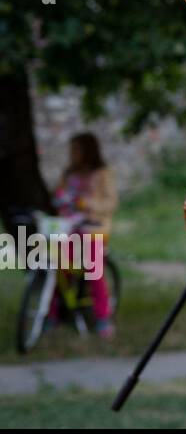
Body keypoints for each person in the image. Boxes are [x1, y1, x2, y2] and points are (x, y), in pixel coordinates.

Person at [51, 132, 118, 340]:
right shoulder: (68, 173)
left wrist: (86, 204)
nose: (73, 154)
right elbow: (59, 195)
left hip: (92, 230)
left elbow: (110, 203)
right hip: (68, 229)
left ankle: (102, 317)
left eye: (77, 150)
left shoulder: (101, 174)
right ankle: (52, 314)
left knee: (94, 270)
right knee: (58, 267)